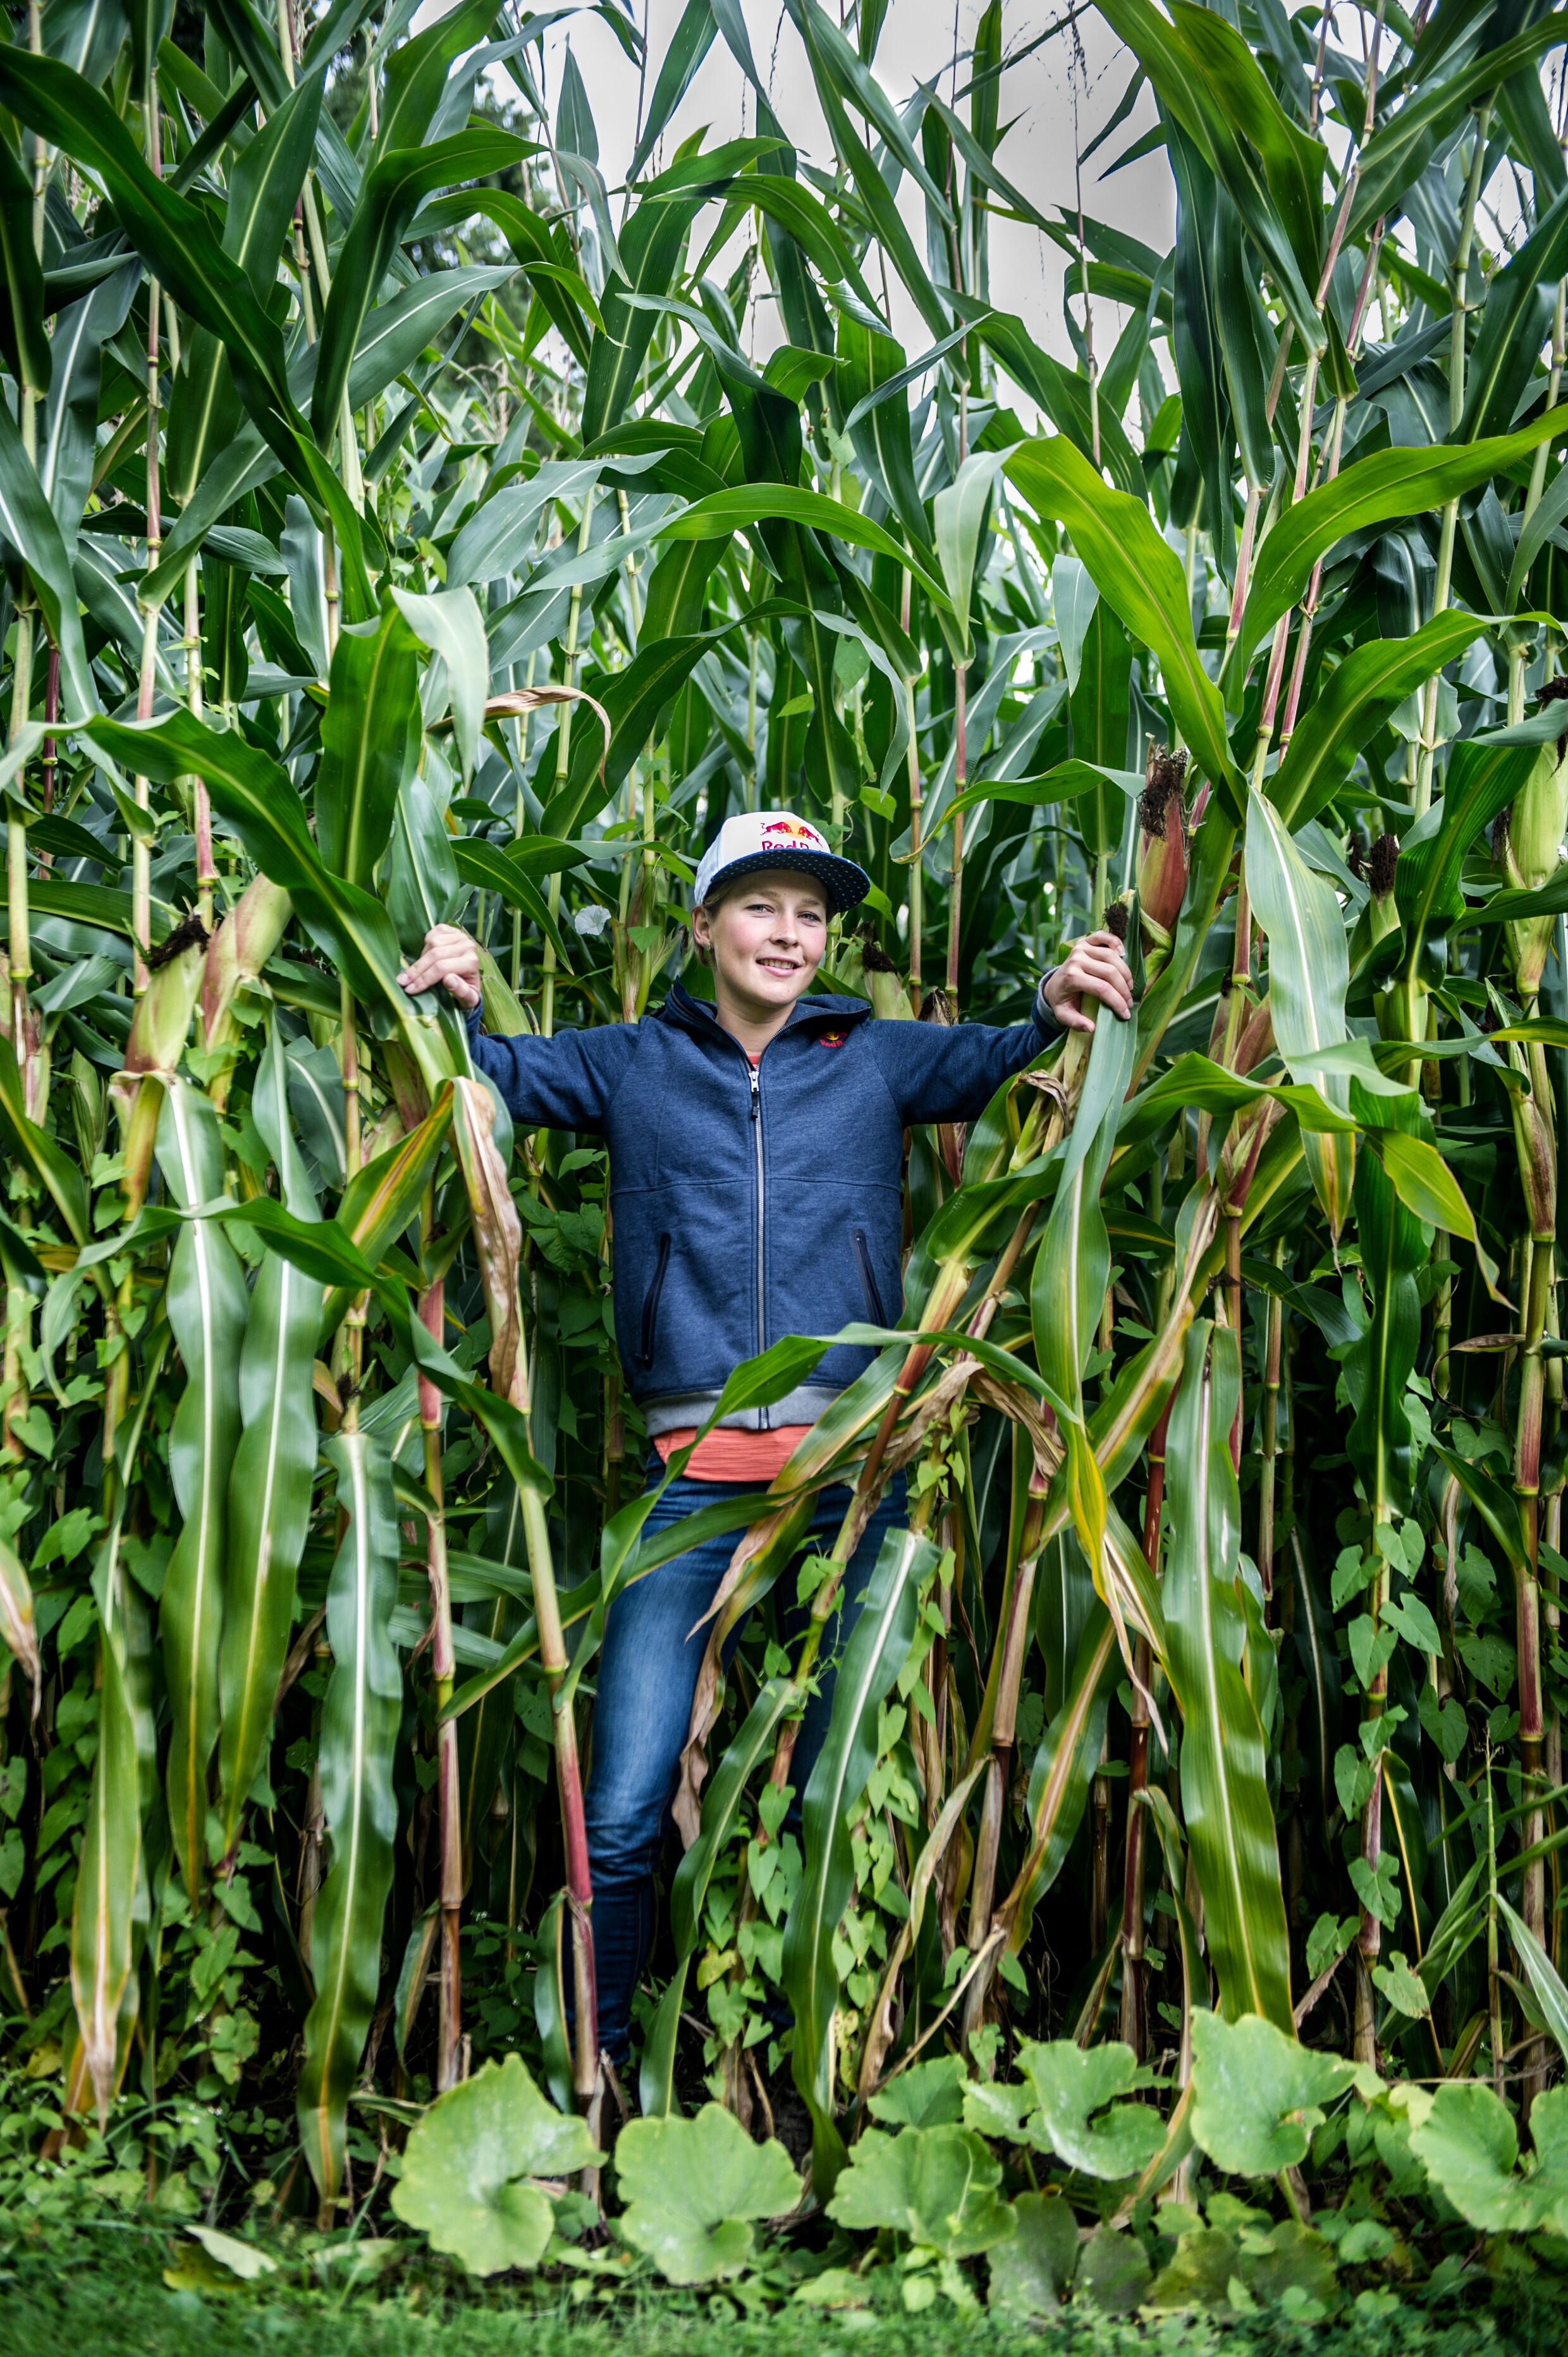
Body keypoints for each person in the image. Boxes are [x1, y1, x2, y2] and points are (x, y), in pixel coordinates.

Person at [398, 808, 1134, 2065]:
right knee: (625, 1805)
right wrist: (451, 996)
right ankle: (605, 2075)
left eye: (810, 912)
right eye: (758, 905)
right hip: (687, 1488)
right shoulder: (636, 1063)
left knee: (820, 1792)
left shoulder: (873, 1057)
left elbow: (1014, 1054)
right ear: (702, 926)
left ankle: (813, 2075)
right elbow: (499, 1081)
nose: (788, 932)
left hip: (852, 1485)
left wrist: (1063, 993)